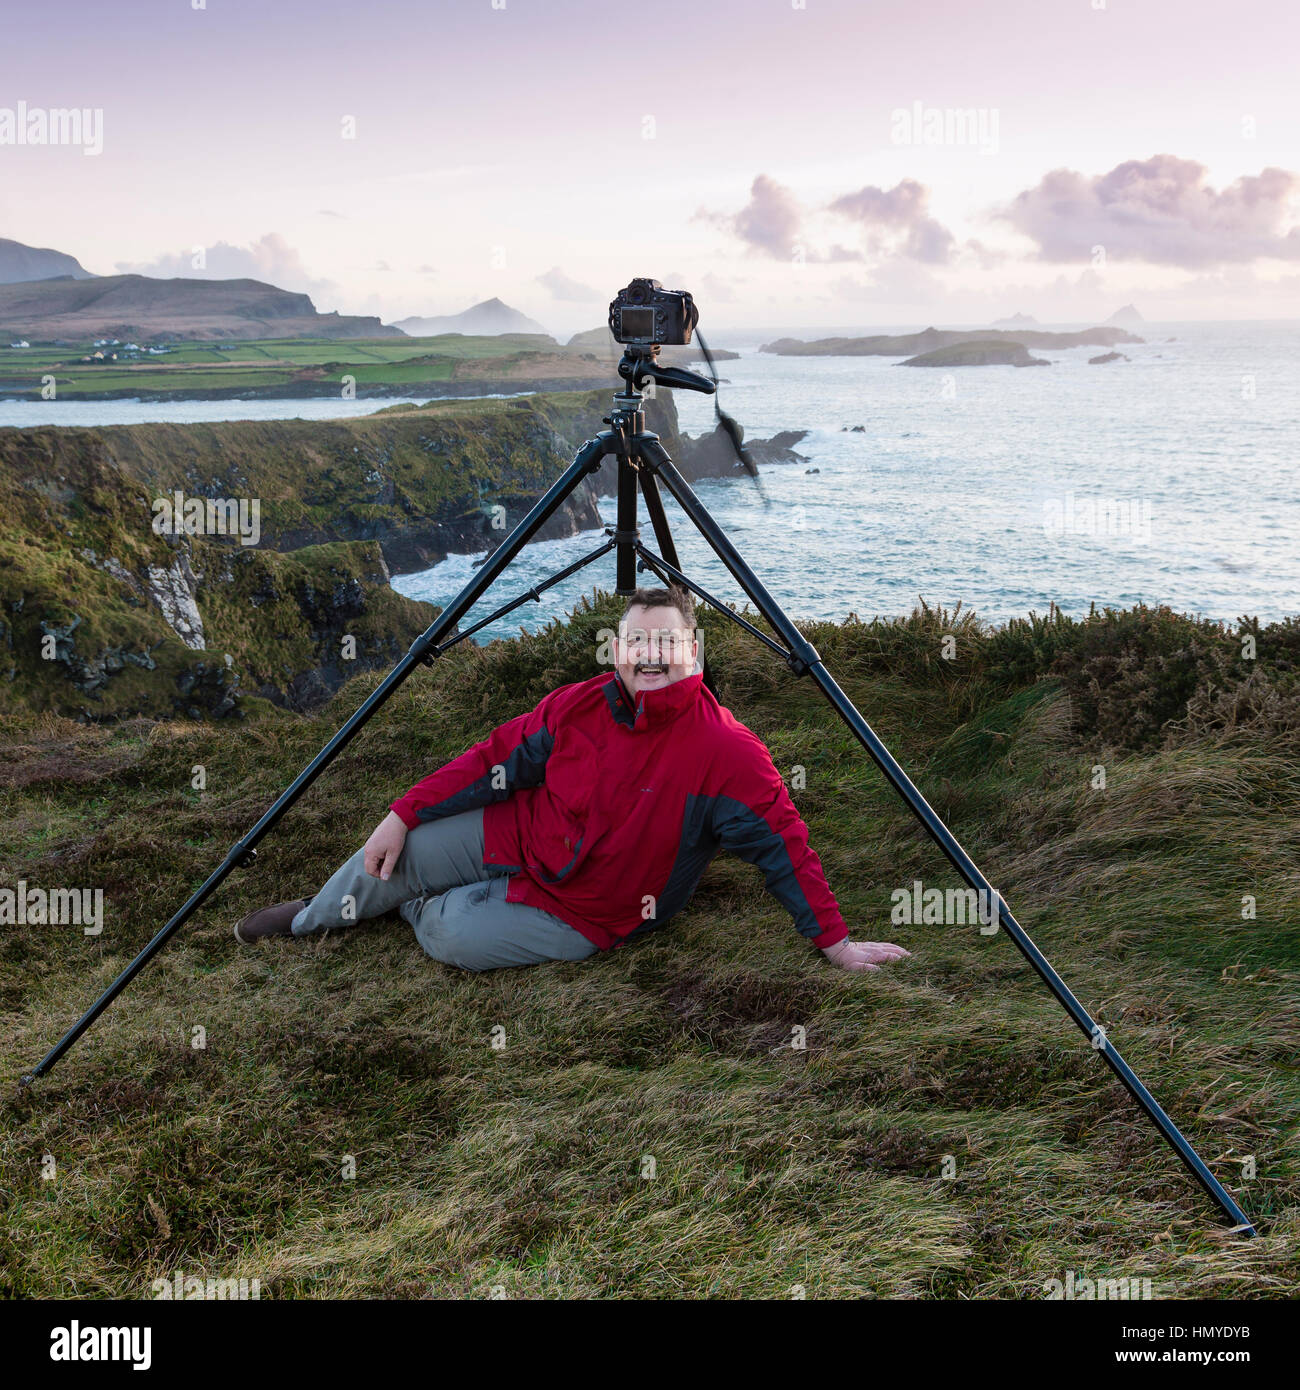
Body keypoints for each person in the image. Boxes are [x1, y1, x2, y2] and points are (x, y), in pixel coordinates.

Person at [234, 584, 910, 975]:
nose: (651, 657)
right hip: (526, 836)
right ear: (617, 651)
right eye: (637, 644)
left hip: (595, 910)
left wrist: (836, 943)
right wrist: (404, 812)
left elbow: (782, 845)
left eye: (666, 644)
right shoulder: (578, 703)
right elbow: (494, 760)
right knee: (395, 852)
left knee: (452, 939)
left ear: (692, 652)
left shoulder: (728, 752)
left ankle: (422, 904)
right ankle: (311, 920)